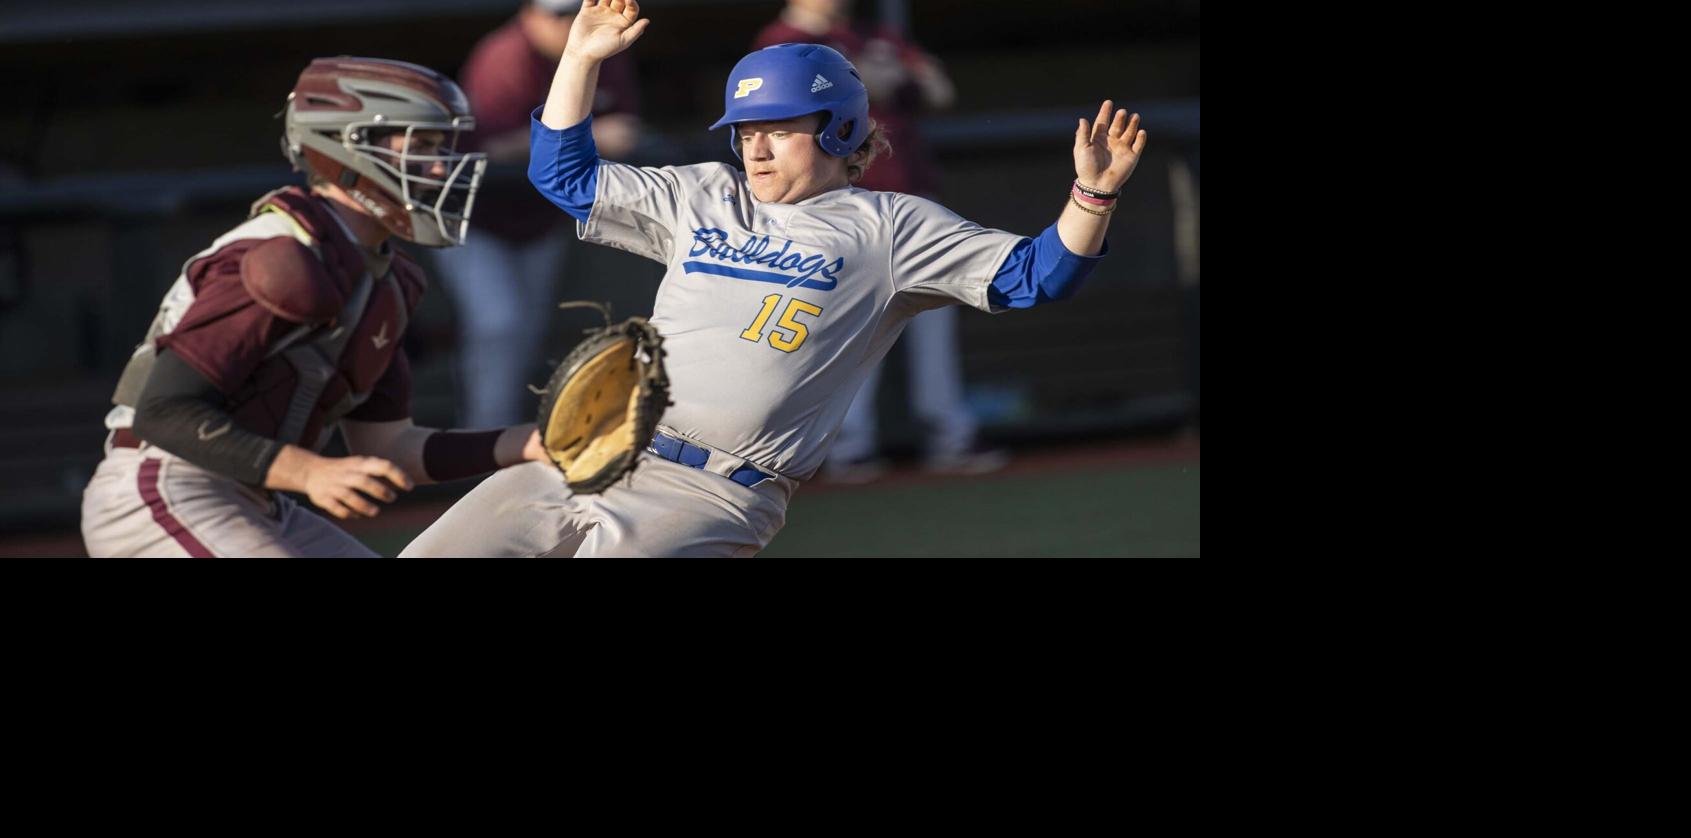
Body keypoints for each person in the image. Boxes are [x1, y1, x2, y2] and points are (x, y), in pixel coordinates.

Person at [400, 0, 1145, 558]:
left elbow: (1039, 277)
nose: (754, 148)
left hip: (714, 494)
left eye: (778, 129)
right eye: (746, 132)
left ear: (840, 131)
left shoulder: (889, 228)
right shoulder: (702, 192)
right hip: (593, 449)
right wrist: (582, 57)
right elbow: (559, 174)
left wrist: (1093, 196)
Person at [80, 57, 548, 558]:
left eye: (441, 148)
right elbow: (162, 411)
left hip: (255, 496)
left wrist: (533, 442)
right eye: (422, 146)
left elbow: (390, 448)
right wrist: (309, 471)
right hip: (164, 486)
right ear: (349, 147)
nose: (439, 166)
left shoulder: (384, 279)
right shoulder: (281, 256)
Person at [755, 0, 999, 480]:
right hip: (844, 206)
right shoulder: (780, 40)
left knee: (937, 315)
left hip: (910, 202)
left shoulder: (871, 35)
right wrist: (877, 80)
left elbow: (938, 87)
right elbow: (869, 89)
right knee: (850, 327)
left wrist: (883, 78)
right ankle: (846, 446)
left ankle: (949, 435)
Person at [430, 0, 644, 428]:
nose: (566, 23)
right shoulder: (506, 56)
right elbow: (495, 149)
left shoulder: (598, 46)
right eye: (556, 14)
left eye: (572, 12)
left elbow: (629, 124)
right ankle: (482, 442)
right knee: (499, 325)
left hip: (537, 222)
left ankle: (504, 440)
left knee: (524, 334)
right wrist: (593, 135)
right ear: (529, 14)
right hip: (474, 218)